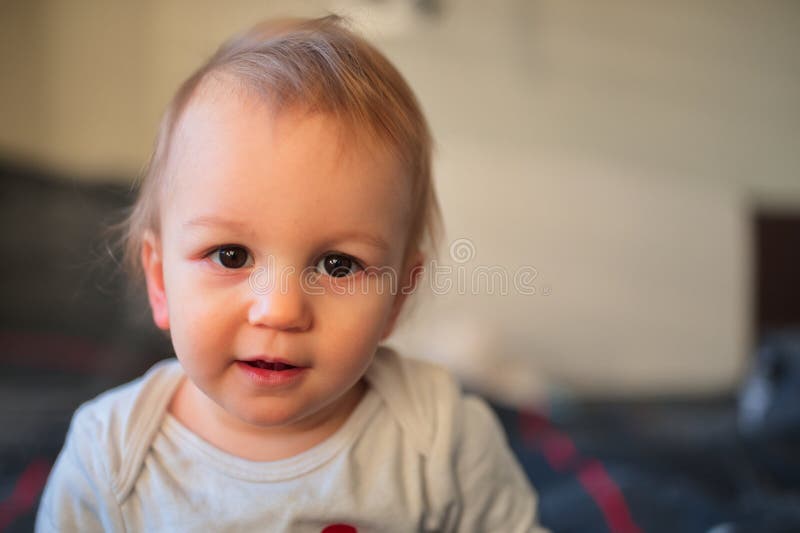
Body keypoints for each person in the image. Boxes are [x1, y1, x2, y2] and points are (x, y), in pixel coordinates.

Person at [36, 14, 545, 532]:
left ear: (396, 300)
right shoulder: (112, 457)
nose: (280, 310)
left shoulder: (439, 438)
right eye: (231, 256)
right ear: (161, 281)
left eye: (338, 265)